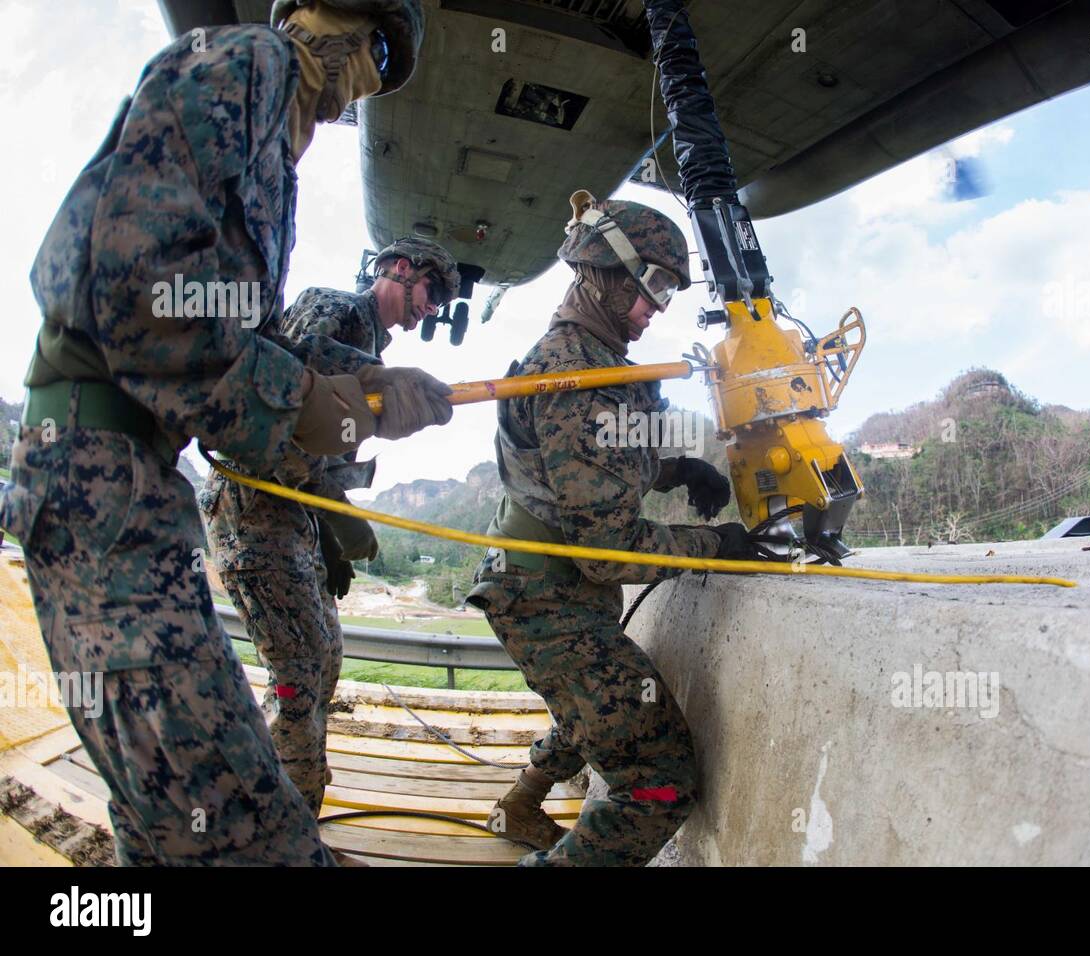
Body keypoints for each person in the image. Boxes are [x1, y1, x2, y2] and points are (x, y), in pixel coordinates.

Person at [0, 0, 443, 865]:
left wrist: (360, 387)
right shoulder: (250, 67)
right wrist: (309, 401)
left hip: (132, 481)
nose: (362, 91)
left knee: (170, 825)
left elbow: (245, 336)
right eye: (375, 55)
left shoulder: (275, 148)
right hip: (100, 477)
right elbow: (133, 281)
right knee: (246, 832)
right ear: (336, 23)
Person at [466, 190, 759, 865]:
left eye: (668, 293)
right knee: (656, 776)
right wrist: (714, 547)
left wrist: (677, 469)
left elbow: (600, 463)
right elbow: (604, 550)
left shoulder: (592, 361)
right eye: (652, 285)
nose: (656, 307)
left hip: (547, 591)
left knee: (591, 707)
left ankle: (519, 805)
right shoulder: (578, 377)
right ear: (605, 272)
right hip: (549, 599)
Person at [201, 236, 460, 814]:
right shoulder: (337, 307)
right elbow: (293, 358)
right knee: (298, 673)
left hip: (294, 517)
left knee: (323, 661)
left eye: (441, 297)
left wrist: (334, 532)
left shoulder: (372, 343)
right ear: (398, 268)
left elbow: (321, 447)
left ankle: (290, 811)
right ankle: (274, 830)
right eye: (431, 288)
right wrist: (381, 378)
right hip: (253, 508)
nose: (433, 305)